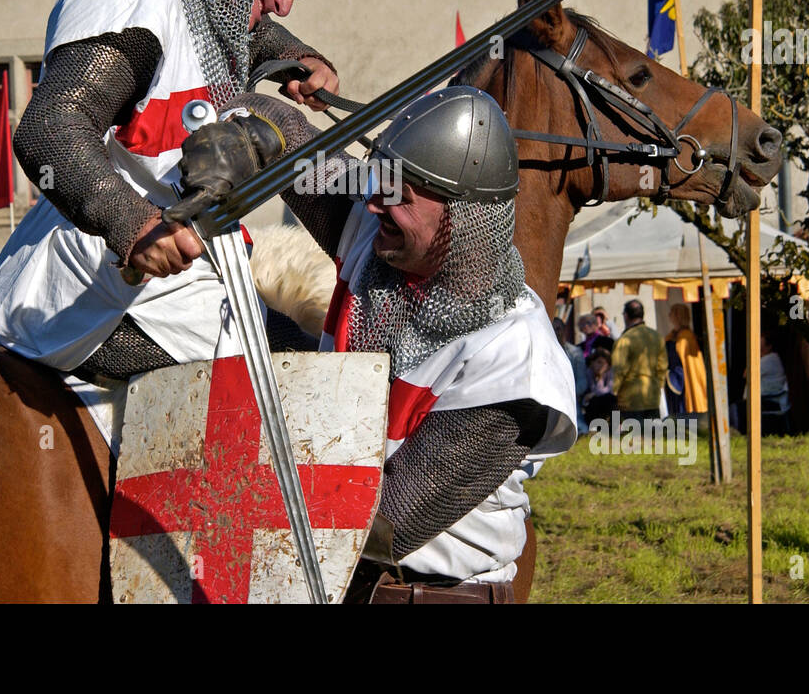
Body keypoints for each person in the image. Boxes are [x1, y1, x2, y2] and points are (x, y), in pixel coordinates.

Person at [171, 85, 578, 603]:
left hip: (427, 593)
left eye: (398, 194)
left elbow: (386, 523)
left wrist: (220, 496)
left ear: (460, 214)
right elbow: (295, 143)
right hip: (332, 578)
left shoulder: (514, 356)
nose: (373, 202)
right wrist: (243, 127)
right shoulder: (381, 240)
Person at [0, 0, 338, 381]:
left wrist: (299, 58)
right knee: (281, 379)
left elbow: (244, 32)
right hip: (96, 277)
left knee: (300, 357)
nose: (283, 4)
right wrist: (133, 223)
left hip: (174, 274)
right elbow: (51, 128)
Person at [609, 299, 668, 422]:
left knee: (633, 439)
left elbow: (619, 369)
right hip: (652, 396)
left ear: (626, 316)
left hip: (630, 399)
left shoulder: (625, 340)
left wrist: (613, 392)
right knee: (652, 438)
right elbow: (662, 367)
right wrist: (658, 386)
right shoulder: (656, 336)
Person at [665, 303, 709, 417]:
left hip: (683, 381)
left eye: (672, 313)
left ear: (678, 316)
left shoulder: (686, 337)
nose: (669, 316)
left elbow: (690, 365)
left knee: (685, 416)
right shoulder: (673, 335)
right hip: (674, 380)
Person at [759, 329, 792, 435]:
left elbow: (747, 374)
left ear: (769, 347)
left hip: (771, 399)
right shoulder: (770, 358)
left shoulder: (770, 359)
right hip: (769, 397)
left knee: (736, 409)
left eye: (761, 348)